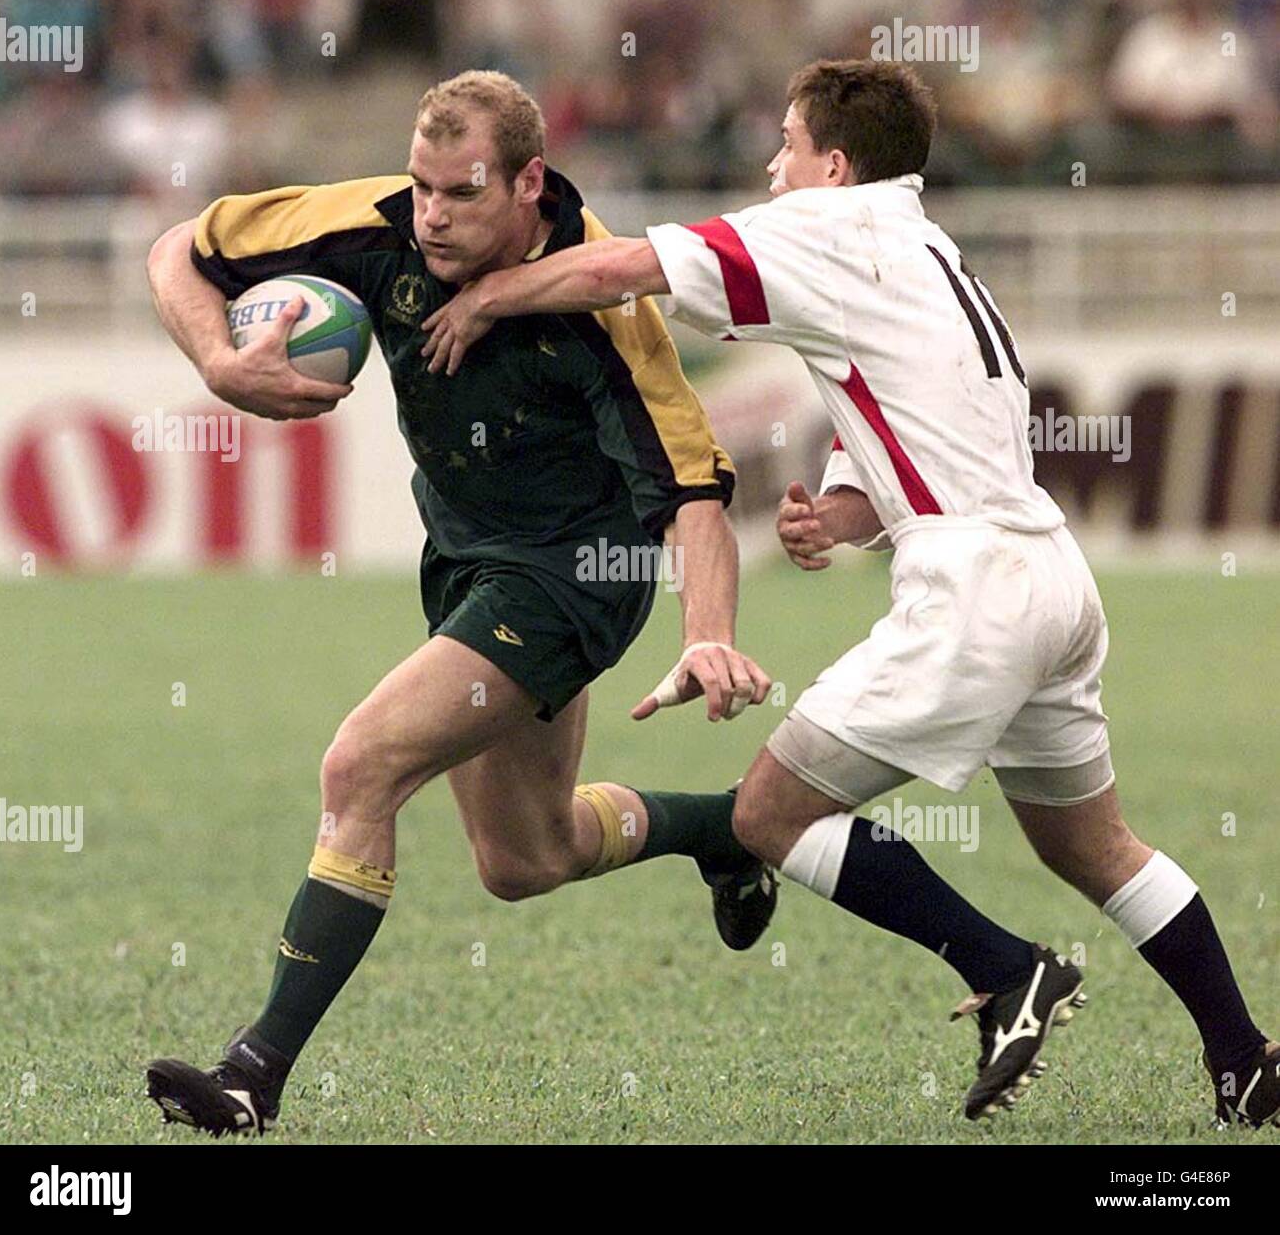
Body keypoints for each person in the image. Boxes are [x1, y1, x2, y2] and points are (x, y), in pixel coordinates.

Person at [420, 59, 1278, 1128]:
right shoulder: (926, 246)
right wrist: (844, 510)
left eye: (784, 143)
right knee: (1090, 846)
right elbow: (940, 423)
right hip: (1048, 575)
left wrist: (492, 291)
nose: (770, 165)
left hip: (972, 589)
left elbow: (620, 269)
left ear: (834, 161)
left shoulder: (827, 227)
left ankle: (1006, 969)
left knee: (768, 812)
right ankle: (1242, 1057)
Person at [141, 69, 777, 1137]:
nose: (429, 214)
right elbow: (182, 250)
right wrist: (216, 358)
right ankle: (726, 831)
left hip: (578, 575)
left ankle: (253, 1074)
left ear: (530, 183)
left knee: (360, 764)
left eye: (461, 193)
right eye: (422, 186)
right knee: (526, 860)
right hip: (469, 558)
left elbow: (697, 489)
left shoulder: (605, 301)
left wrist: (706, 635)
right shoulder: (383, 221)